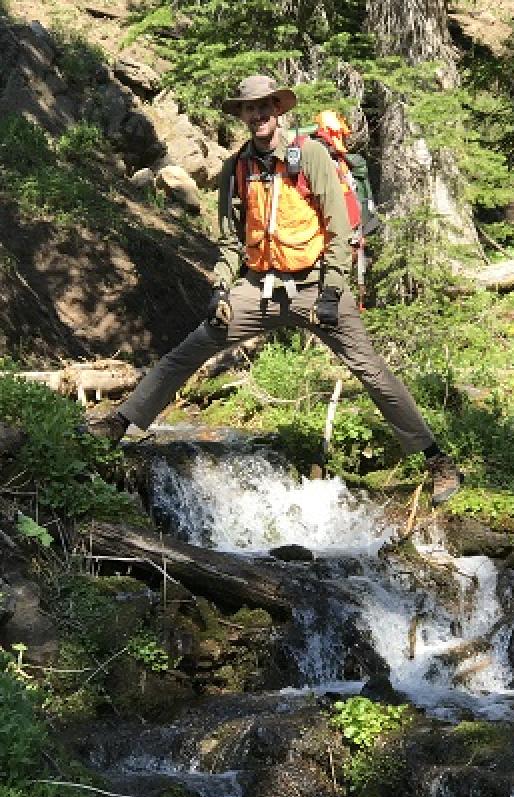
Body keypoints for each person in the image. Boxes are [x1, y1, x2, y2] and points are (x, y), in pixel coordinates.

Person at [87, 74, 462, 506]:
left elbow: (339, 230)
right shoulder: (236, 168)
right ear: (242, 115)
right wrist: (221, 288)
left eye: (266, 106)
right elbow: (231, 243)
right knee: (189, 350)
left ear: (278, 110)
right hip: (258, 289)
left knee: (371, 370)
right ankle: (119, 424)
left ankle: (437, 461)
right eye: (251, 108)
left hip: (317, 284)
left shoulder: (312, 156)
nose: (259, 114)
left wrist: (331, 290)